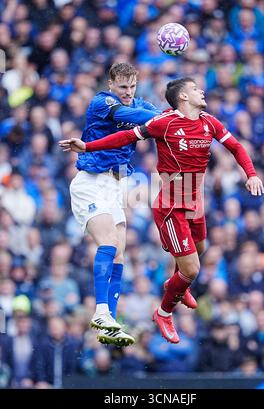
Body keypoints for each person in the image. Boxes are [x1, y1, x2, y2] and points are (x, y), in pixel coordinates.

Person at [59, 77, 264, 344]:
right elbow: (125, 135)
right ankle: (164, 312)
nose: (201, 91)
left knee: (199, 251)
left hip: (194, 201)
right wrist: (87, 146)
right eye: (194, 88)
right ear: (183, 97)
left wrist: (251, 174)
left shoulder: (209, 122)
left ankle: (174, 285)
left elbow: (236, 147)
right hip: (171, 206)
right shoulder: (164, 123)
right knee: (191, 269)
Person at [64, 62, 160, 346]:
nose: (128, 92)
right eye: (122, 87)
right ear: (111, 85)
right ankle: (101, 311)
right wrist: (164, 117)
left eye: (132, 87)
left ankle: (110, 322)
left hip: (116, 186)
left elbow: (151, 117)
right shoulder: (102, 102)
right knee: (107, 242)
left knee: (119, 253)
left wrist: (167, 118)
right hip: (91, 182)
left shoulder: (138, 102)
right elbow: (132, 115)